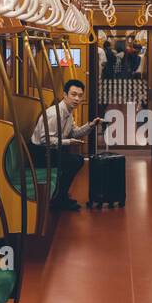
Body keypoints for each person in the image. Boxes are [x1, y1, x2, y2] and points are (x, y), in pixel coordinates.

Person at [30, 79, 102, 211]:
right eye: (73, 94)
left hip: (50, 150)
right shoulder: (54, 114)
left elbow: (74, 133)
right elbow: (45, 140)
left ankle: (60, 196)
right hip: (39, 153)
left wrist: (91, 125)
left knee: (77, 160)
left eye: (80, 96)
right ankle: (59, 198)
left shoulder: (68, 112)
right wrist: (68, 142)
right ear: (65, 95)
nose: (77, 99)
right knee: (75, 161)